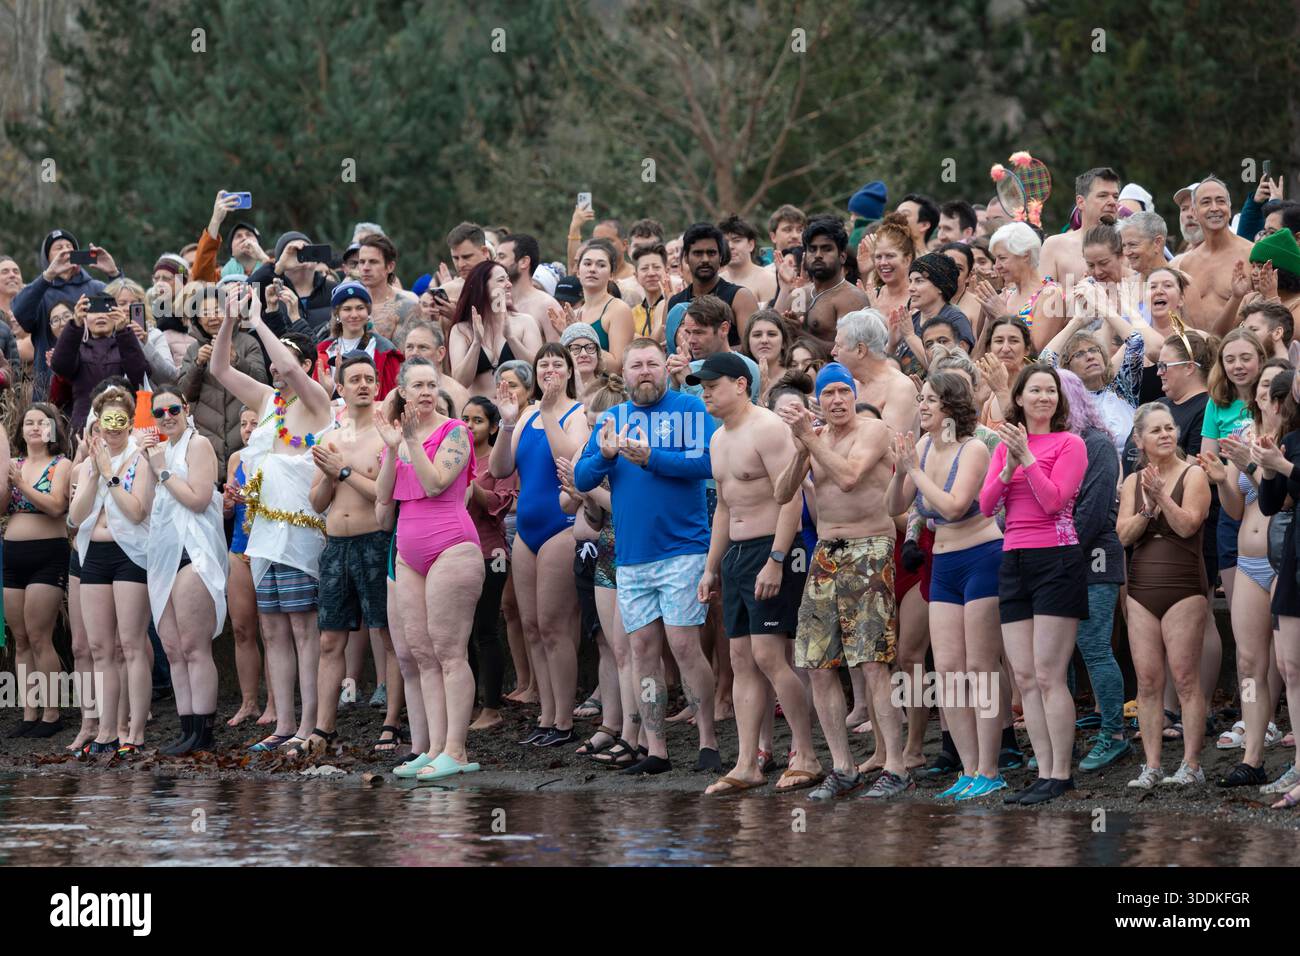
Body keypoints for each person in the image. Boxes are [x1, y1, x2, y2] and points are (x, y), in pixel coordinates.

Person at [573, 338, 721, 775]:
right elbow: (583, 477)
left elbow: (707, 463)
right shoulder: (614, 418)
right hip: (632, 556)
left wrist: (652, 458)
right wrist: (604, 453)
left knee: (683, 644)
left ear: (664, 368)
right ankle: (656, 749)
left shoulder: (689, 410)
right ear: (626, 372)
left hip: (682, 548)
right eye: (635, 364)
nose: (644, 372)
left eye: (651, 364)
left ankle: (708, 740)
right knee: (641, 649)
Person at [772, 363, 907, 798]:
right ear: (818, 400)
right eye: (826, 394)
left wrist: (810, 440)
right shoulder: (817, 439)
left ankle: (896, 767)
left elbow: (849, 478)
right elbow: (781, 493)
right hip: (825, 553)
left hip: (870, 547)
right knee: (816, 663)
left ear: (853, 394)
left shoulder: (873, 430)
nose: (835, 401)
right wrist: (800, 448)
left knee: (872, 661)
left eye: (841, 392)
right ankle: (843, 766)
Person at [211, 290, 333, 753]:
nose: (279, 369)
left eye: (288, 360)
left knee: (305, 630)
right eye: (277, 362)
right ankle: (282, 724)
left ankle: (307, 727)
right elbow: (221, 370)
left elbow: (296, 370)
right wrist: (229, 322)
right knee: (273, 630)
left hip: (301, 533)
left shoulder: (318, 401)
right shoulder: (268, 404)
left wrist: (260, 323)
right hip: (263, 533)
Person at [694, 352, 821, 794]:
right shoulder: (718, 439)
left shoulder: (767, 428)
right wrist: (712, 568)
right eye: (702, 385)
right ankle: (748, 761)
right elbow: (725, 507)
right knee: (741, 659)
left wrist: (778, 558)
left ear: (741, 384)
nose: (706, 391)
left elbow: (789, 498)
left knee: (771, 657)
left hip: (772, 549)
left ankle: (805, 753)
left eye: (713, 384)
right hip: (737, 556)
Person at [886, 371, 1006, 799]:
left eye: (931, 400)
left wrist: (915, 472)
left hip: (981, 557)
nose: (922, 406)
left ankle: (990, 768)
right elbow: (893, 506)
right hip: (944, 564)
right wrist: (902, 472)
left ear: (951, 406)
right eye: (920, 398)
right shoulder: (920, 447)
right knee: (950, 672)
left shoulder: (973, 448)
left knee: (981, 670)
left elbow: (955, 507)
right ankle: (968, 770)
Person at [979, 364, 1089, 805]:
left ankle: (1061, 772)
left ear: (1059, 401)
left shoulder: (1070, 443)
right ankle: (1043, 771)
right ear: (1020, 398)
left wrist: (1026, 458)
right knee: (1024, 676)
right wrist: (1007, 467)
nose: (1044, 397)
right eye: (1035, 390)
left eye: (1051, 391)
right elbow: (987, 506)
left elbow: (1054, 501)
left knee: (1047, 674)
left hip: (1057, 558)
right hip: (1014, 559)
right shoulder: (1004, 446)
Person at [375, 357, 486, 781]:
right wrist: (390, 448)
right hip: (408, 552)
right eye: (416, 385)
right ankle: (435, 747)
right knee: (421, 652)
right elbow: (385, 499)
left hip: (452, 546)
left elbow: (437, 483)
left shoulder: (454, 432)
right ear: (402, 392)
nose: (425, 391)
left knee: (448, 650)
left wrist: (412, 443)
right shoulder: (398, 437)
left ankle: (456, 749)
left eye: (431, 384)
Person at [490, 343, 588, 748]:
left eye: (556, 364)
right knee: (530, 626)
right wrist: (507, 424)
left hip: (560, 526)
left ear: (568, 372)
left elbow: (573, 462)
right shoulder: (526, 413)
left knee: (553, 625)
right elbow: (500, 470)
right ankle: (546, 714)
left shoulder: (576, 412)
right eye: (542, 364)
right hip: (526, 530)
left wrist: (549, 411)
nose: (549, 369)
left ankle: (564, 719)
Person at [299, 353, 397, 755]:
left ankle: (392, 722)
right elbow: (317, 501)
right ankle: (324, 727)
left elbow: (385, 496)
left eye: (368, 379)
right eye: (353, 379)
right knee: (328, 640)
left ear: (377, 386)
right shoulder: (330, 436)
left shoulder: (386, 433)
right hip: (336, 545)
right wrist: (328, 472)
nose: (361, 384)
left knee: (387, 636)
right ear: (339, 387)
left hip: (374, 540)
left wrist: (343, 471)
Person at [1200, 359, 1290, 787]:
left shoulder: (1289, 439)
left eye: (1277, 385)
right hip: (1248, 558)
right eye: (1264, 385)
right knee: (1249, 661)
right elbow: (1236, 509)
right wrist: (1221, 480)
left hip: (1286, 557)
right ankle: (1253, 755)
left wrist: (1254, 464)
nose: (1269, 393)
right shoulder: (1243, 437)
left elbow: (1285, 502)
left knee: (1290, 664)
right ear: (1255, 393)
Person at [1118, 402, 1212, 789]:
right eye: (1156, 430)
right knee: (1147, 681)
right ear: (1139, 440)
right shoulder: (1131, 482)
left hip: (1183, 585)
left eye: (1169, 428)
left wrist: (1163, 498)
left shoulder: (1194, 475)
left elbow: (1189, 526)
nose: (1166, 434)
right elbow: (1123, 535)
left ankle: (1191, 764)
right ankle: (1152, 765)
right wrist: (1147, 507)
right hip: (1141, 588)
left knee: (1186, 678)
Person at [68, 386, 153, 756]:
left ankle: (134, 730)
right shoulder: (89, 464)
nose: (114, 427)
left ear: (130, 422)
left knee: (130, 645)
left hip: (130, 553)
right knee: (100, 647)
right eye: (108, 420)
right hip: (94, 556)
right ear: (97, 425)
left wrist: (111, 475)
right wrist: (94, 472)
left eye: (121, 420)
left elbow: (137, 511)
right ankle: (105, 730)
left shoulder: (142, 458)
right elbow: (75, 516)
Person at [142, 388, 228, 756]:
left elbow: (199, 498)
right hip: (164, 555)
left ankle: (204, 730)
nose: (166, 416)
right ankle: (186, 727)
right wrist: (148, 462)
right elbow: (144, 508)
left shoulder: (198, 445)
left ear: (186, 409)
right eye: (159, 412)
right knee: (174, 648)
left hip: (194, 553)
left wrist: (161, 469)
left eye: (173, 409)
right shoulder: (159, 451)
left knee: (194, 646)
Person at [1055, 370, 1131, 772]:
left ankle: (1113, 735)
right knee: (1057, 656)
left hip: (1093, 556)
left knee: (1094, 646)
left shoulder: (1097, 444)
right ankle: (1060, 739)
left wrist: (1057, 552)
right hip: (1057, 560)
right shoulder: (1046, 444)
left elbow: (1094, 511)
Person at [3, 403, 73, 738]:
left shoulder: (61, 465)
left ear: (52, 430)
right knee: (20, 639)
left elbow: (57, 506)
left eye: (41, 423)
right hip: (13, 554)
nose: (34, 428)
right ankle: (29, 712)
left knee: (39, 635)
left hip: (48, 553)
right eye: (28, 422)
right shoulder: (12, 465)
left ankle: (51, 713)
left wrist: (22, 485)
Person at [462, 396, 518, 731]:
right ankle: (465, 704)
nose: (469, 426)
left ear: (494, 426)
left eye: (478, 420)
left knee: (485, 629)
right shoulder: (452, 456)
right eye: (465, 419)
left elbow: (499, 504)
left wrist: (468, 482)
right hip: (456, 552)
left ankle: (492, 707)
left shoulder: (499, 461)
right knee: (460, 635)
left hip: (490, 552)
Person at [12, 230, 120, 401]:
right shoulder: (40, 292)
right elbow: (20, 313)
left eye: (70, 247)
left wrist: (114, 274)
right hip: (50, 386)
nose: (66, 251)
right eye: (58, 248)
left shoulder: (96, 288)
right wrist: (48, 275)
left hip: (95, 384)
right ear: (47, 259)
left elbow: (126, 310)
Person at [178, 282, 269, 470]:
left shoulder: (248, 343)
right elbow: (184, 394)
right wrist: (197, 364)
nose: (212, 317)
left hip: (243, 436)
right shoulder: (193, 350)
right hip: (207, 440)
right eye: (205, 313)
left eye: (217, 310)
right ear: (197, 319)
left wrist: (236, 359)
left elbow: (262, 383)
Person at [222, 406, 271, 727]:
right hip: (239, 547)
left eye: (255, 423)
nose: (249, 428)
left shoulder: (274, 456)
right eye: (243, 424)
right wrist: (227, 504)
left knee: (271, 632)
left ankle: (276, 704)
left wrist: (252, 499)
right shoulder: (236, 460)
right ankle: (249, 702)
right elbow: (228, 511)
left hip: (266, 546)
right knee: (242, 630)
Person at [51, 295, 149, 431]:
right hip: (83, 425)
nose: (101, 316)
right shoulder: (77, 346)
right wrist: (74, 325)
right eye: (94, 311)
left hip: (122, 421)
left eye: (107, 311)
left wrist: (124, 332)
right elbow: (60, 366)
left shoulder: (125, 341)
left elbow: (140, 376)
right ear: (85, 317)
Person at [448, 260, 543, 398]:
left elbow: (537, 371)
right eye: (501, 280)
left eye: (508, 279)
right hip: (479, 413)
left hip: (520, 410)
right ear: (482, 287)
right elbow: (459, 382)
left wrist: (511, 338)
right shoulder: (461, 330)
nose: (509, 284)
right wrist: (476, 342)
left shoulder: (525, 322)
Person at [1172, 177, 1255, 332]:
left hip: (1240, 350)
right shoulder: (1187, 263)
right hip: (1198, 352)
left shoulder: (1251, 253)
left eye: (1221, 201)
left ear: (1229, 209)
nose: (1215, 208)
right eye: (1206, 202)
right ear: (1195, 213)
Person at [777, 217, 869, 343]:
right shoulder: (797, 295)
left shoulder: (852, 298)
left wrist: (798, 333)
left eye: (826, 249)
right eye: (812, 249)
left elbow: (851, 351)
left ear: (842, 257)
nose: (818, 255)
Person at [665, 222, 758, 348]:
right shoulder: (675, 303)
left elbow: (752, 349)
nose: (705, 260)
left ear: (720, 256)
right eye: (698, 253)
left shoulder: (740, 297)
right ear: (686, 257)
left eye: (711, 253)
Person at [830, 309, 918, 438]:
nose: (833, 352)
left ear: (860, 350)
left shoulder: (900, 388)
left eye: (838, 345)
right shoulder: (850, 383)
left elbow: (890, 445)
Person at [979, 222, 1064, 352]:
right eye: (995, 259)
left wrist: (1002, 315)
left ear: (1025, 255)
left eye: (1002, 258)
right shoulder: (1005, 295)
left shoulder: (1051, 294)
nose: (996, 266)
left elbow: (1038, 352)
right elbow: (982, 352)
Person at [314, 281, 404, 399]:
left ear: (368, 313)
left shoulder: (385, 351)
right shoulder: (323, 350)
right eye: (347, 309)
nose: (354, 314)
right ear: (337, 315)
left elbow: (391, 397)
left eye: (360, 308)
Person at [891, 251, 976, 376]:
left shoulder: (955, 320)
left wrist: (910, 336)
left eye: (919, 281)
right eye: (910, 281)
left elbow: (945, 371)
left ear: (939, 287)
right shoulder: (911, 320)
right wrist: (892, 344)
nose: (911, 288)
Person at [1040, 166, 1122, 294]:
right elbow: (1042, 302)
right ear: (1080, 202)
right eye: (1103, 195)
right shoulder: (1054, 246)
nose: (1112, 202)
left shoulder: (1127, 246)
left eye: (1115, 196)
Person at [247, 231, 338, 337]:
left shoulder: (333, 290)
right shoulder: (270, 291)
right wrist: (278, 267)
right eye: (295, 253)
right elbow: (235, 307)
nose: (302, 254)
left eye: (307, 250)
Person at [571, 239, 636, 371]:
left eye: (601, 265)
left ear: (611, 274)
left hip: (607, 389)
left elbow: (617, 367)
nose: (592, 269)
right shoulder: (573, 314)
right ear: (578, 271)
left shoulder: (618, 310)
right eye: (587, 264)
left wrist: (580, 334)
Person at [496, 234, 559, 343]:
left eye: (502, 257)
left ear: (524, 262)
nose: (495, 262)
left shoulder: (547, 305)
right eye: (495, 257)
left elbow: (558, 354)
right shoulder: (494, 302)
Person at [355, 235, 419, 341]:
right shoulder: (347, 302)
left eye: (373, 262)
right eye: (362, 262)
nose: (365, 268)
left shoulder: (406, 307)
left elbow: (406, 354)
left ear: (390, 267)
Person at [975, 314, 1034, 427]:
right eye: (999, 341)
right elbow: (977, 434)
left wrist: (1001, 391)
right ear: (989, 348)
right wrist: (978, 403)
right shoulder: (988, 389)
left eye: (1014, 341)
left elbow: (1022, 432)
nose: (1006, 349)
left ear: (1027, 349)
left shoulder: (1036, 384)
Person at [400, 321, 470, 414]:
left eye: (422, 347)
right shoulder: (396, 393)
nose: (414, 353)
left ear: (440, 353)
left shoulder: (457, 395)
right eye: (409, 347)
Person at [719, 215, 777, 304]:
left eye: (737, 240)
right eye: (725, 242)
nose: (730, 246)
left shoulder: (767, 280)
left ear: (751, 245)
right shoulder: (717, 281)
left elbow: (772, 316)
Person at [741, 310, 791, 403]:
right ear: (748, 343)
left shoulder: (795, 378)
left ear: (784, 342)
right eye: (757, 335)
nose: (764, 340)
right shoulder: (738, 379)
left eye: (771, 334)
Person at [630, 243, 671, 343]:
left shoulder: (674, 306)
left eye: (656, 267)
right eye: (644, 268)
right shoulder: (632, 313)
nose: (651, 273)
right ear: (636, 276)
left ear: (666, 271)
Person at [1118, 210, 1171, 283]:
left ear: (1157, 243)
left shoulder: (1181, 283)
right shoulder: (1128, 286)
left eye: (1133, 245)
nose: (1126, 253)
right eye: (1124, 246)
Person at [561, 322, 605, 396]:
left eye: (590, 348)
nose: (584, 354)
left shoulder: (611, 391)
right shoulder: (557, 394)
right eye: (576, 348)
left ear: (598, 354)